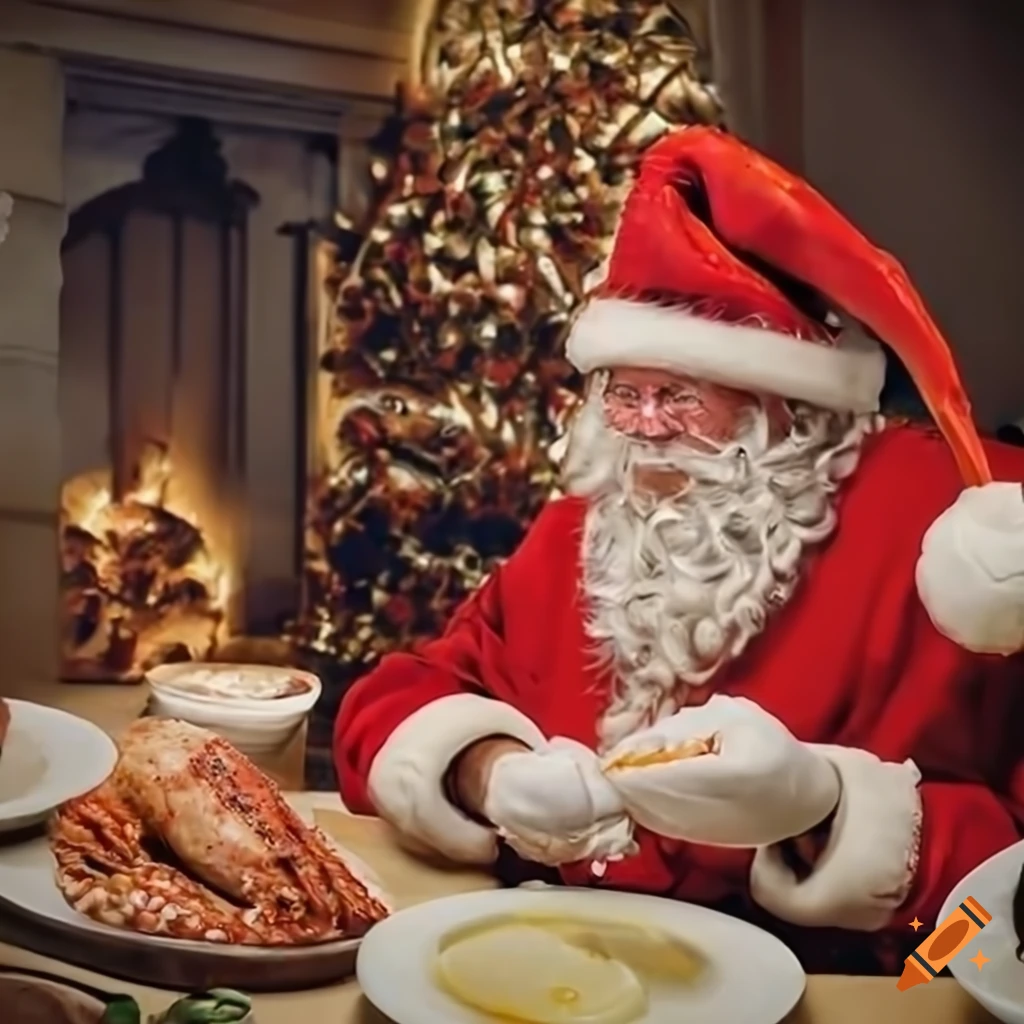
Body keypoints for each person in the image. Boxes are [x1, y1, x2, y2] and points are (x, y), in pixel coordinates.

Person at [333, 126, 1024, 972]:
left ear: (788, 408)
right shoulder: (581, 529)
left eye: (680, 395)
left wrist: (823, 812)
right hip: (553, 972)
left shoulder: (960, 532)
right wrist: (486, 771)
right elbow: (401, 697)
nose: (646, 428)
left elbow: (1003, 885)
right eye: (623, 393)